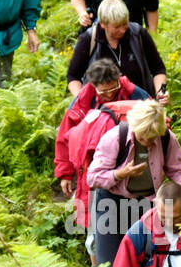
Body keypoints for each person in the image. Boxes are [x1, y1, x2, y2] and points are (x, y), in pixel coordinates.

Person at [87, 101, 181, 267]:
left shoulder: (166, 138)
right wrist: (121, 173)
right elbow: (93, 177)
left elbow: (178, 170)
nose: (148, 141)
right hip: (112, 203)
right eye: (144, 137)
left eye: (153, 137)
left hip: (148, 203)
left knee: (147, 264)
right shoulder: (114, 138)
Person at [56, 60, 152, 256]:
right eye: (103, 92)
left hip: (135, 172)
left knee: (134, 227)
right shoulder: (83, 101)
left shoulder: (136, 94)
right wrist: (65, 174)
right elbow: (66, 137)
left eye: (113, 89)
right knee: (96, 232)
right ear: (92, 86)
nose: (109, 95)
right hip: (93, 174)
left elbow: (156, 123)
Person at [66, 0, 168, 103]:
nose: (123, 30)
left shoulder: (139, 35)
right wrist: (82, 100)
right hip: (101, 110)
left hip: (140, 107)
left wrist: (160, 92)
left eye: (125, 24)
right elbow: (73, 76)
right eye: (116, 27)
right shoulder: (88, 39)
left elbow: (158, 69)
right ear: (102, 24)